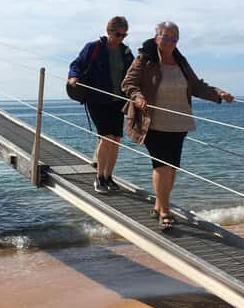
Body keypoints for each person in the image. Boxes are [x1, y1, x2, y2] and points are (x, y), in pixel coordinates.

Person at [122, 21, 234, 231]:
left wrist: (219, 94)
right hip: (153, 121)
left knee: (172, 167)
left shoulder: (181, 61)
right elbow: (128, 83)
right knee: (162, 165)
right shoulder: (145, 59)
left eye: (173, 38)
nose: (168, 42)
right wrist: (137, 97)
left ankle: (158, 205)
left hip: (179, 121)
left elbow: (196, 85)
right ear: (156, 38)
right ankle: (165, 212)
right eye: (165, 37)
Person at [68, 16, 134, 194]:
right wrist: (73, 77)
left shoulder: (125, 52)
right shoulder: (94, 47)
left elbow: (134, 73)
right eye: (118, 34)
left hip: (118, 101)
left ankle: (109, 177)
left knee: (116, 140)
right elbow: (76, 64)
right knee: (106, 137)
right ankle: (99, 177)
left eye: (124, 35)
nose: (121, 38)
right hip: (96, 99)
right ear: (109, 31)